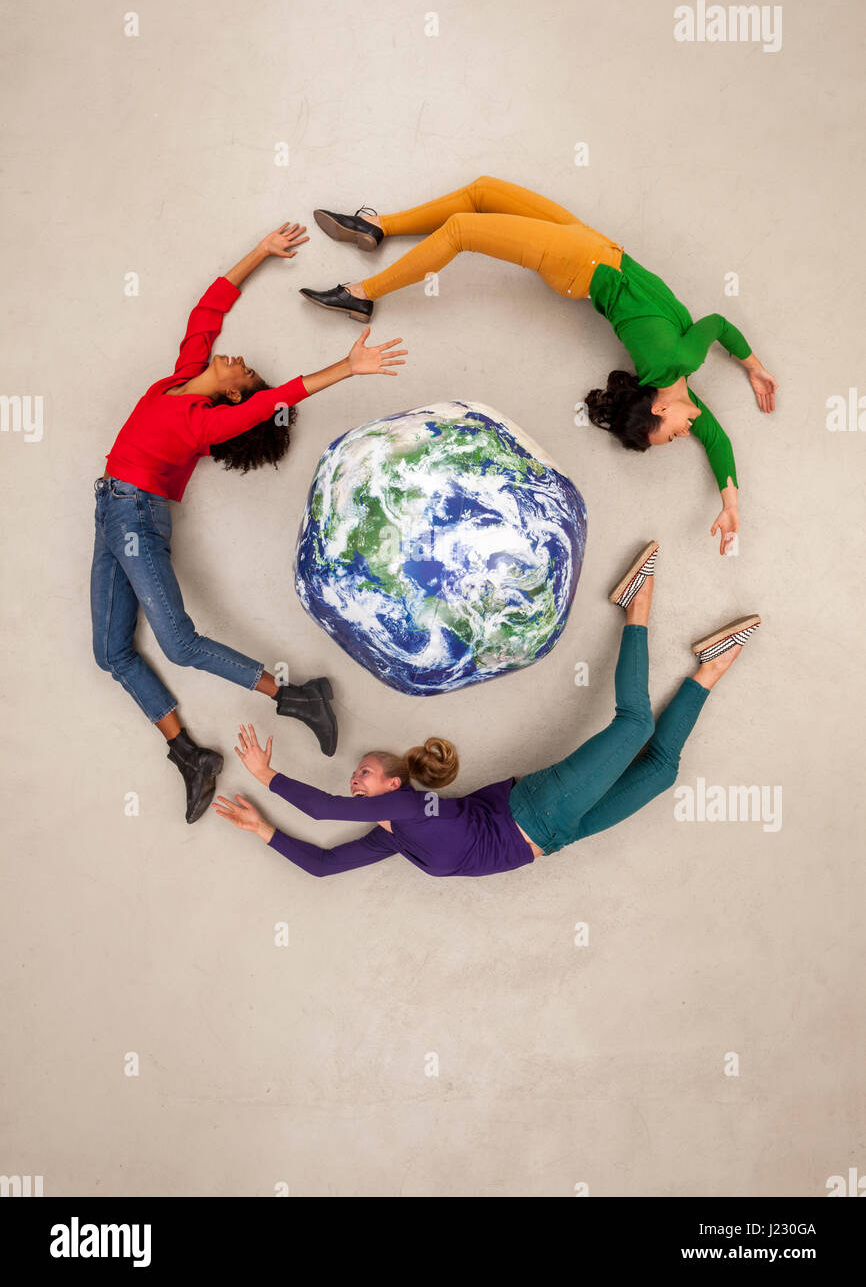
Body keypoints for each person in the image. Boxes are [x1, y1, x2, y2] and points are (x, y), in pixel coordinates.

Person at [91, 220, 408, 823]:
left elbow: (279, 396)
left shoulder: (205, 422)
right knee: (112, 654)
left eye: (246, 373)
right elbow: (207, 311)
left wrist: (347, 367)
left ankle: (296, 694)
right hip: (112, 509)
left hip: (131, 513)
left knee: (179, 644)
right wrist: (261, 252)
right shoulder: (183, 378)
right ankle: (189, 754)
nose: (240, 363)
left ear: (235, 397)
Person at [211, 541, 761, 875]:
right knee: (661, 771)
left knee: (635, 724)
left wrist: (267, 776)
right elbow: (324, 865)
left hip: (539, 810)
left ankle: (636, 603)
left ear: (397, 788)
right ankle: (707, 670)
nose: (355, 780)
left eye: (362, 774)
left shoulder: (413, 809)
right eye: (361, 774)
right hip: (559, 836)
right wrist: (262, 830)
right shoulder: (391, 836)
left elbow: (325, 809)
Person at [298, 176, 778, 555]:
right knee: (483, 191)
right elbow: (718, 425)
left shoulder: (675, 371)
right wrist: (753, 370)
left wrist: (749, 366)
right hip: (593, 248)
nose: (686, 434)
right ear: (660, 410)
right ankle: (380, 226)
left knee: (464, 230)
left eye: (674, 437)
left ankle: (362, 295)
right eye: (674, 435)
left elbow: (715, 331)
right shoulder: (681, 367)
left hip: (580, 262)